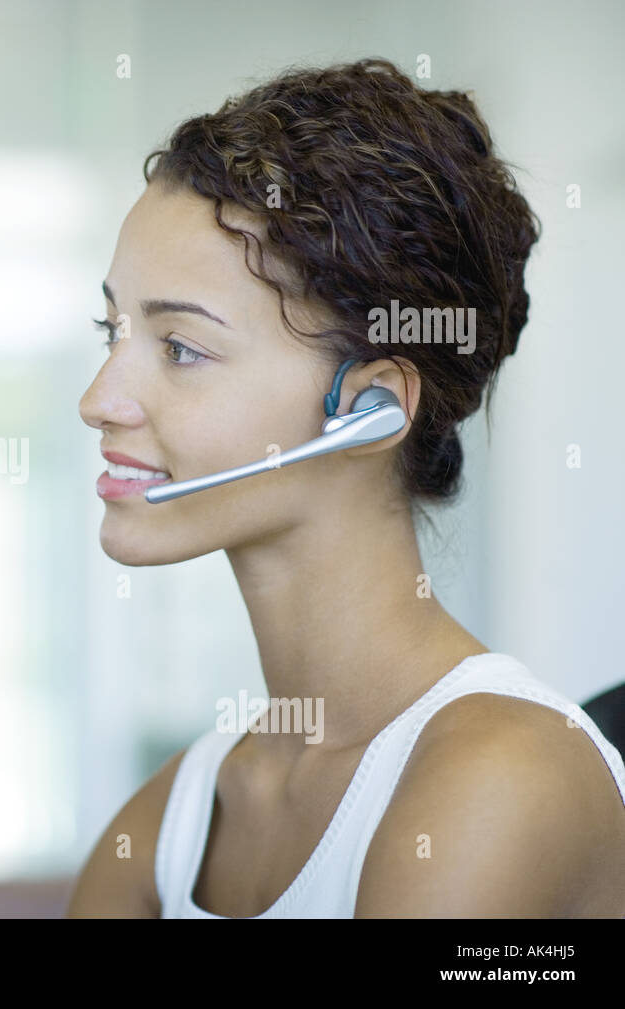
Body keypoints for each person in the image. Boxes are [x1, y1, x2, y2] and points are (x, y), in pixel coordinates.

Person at [67, 58, 625, 918]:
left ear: (367, 411)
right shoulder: (169, 825)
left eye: (180, 347)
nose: (99, 400)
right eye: (113, 331)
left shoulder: (504, 780)